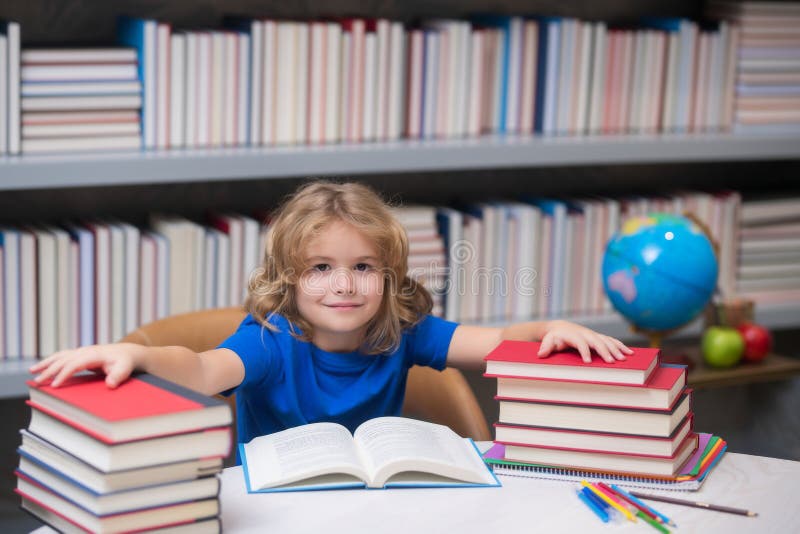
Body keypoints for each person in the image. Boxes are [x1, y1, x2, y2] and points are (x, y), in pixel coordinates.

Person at [30, 181, 632, 445]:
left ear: (388, 277)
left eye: (363, 267)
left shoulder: (404, 331)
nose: (343, 285)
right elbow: (198, 369)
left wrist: (551, 329)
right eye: (320, 268)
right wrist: (135, 354)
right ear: (289, 278)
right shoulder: (269, 341)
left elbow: (499, 342)